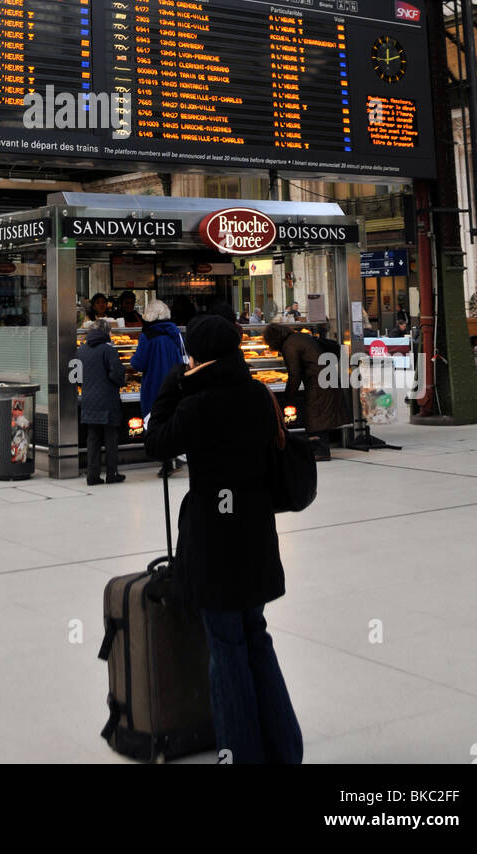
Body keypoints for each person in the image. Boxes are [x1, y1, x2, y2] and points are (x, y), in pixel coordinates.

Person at [144, 315, 302, 765]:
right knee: (256, 635)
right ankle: (285, 749)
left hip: (214, 540)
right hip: (255, 531)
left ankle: (239, 752)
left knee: (226, 647)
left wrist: (174, 385)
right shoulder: (257, 393)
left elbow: (156, 442)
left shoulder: (198, 403)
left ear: (195, 354)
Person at [264, 322, 343, 461]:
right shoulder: (298, 337)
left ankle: (321, 450)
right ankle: (317, 448)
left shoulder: (289, 345)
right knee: (318, 412)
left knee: (316, 413)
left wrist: (288, 396)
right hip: (325, 377)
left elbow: (294, 373)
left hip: (318, 380)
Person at [130, 300, 188, 478]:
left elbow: (139, 363)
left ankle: (166, 461)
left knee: (154, 422)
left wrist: (131, 361)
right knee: (171, 421)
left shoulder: (148, 335)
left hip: (154, 385)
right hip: (175, 383)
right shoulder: (175, 332)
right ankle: (175, 457)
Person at [78, 320, 126, 485]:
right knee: (111, 437)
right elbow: (117, 375)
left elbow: (76, 377)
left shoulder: (81, 350)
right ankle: (112, 473)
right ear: (106, 332)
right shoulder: (108, 350)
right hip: (108, 400)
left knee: (93, 438)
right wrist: (122, 380)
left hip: (88, 400)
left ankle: (92, 475)